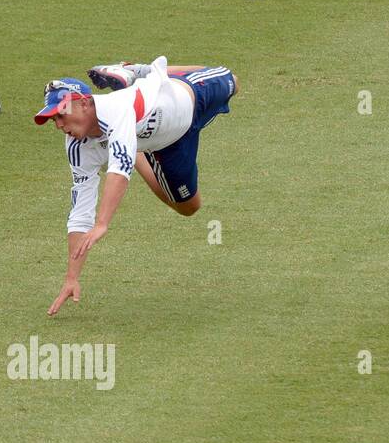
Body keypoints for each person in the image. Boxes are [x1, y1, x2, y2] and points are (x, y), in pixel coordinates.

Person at [35, 57, 239, 315]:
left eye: (61, 114)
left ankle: (146, 73)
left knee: (233, 81)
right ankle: (136, 151)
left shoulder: (115, 110)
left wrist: (103, 224)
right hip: (165, 145)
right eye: (53, 120)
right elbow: (79, 214)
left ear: (85, 103)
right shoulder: (78, 147)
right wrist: (71, 277)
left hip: (189, 95)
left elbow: (118, 171)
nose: (60, 125)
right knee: (189, 207)